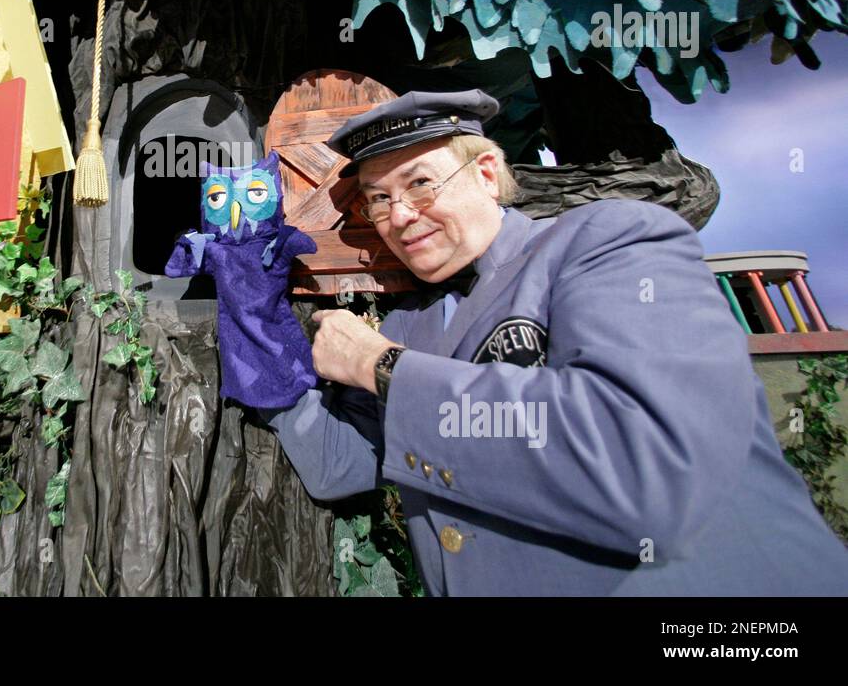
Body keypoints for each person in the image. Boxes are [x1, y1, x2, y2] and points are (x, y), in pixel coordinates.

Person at [259, 88, 848, 595]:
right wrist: (254, 323)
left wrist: (381, 367)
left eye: (420, 184)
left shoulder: (610, 241)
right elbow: (340, 466)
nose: (400, 216)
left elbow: (643, 465)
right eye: (378, 198)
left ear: (487, 174)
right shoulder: (410, 324)